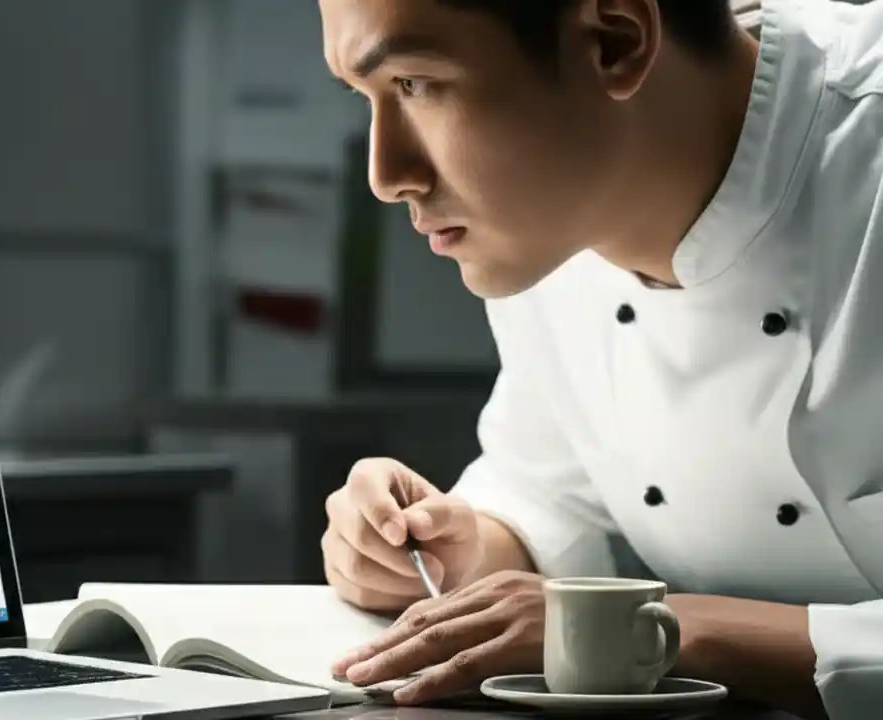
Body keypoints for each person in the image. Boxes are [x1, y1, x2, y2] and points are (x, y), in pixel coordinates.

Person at [317, 0, 883, 718]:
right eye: (364, 96)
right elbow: (547, 489)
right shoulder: (555, 217)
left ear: (615, 41)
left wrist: (665, 629)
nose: (386, 174)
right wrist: (452, 552)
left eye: (415, 84)